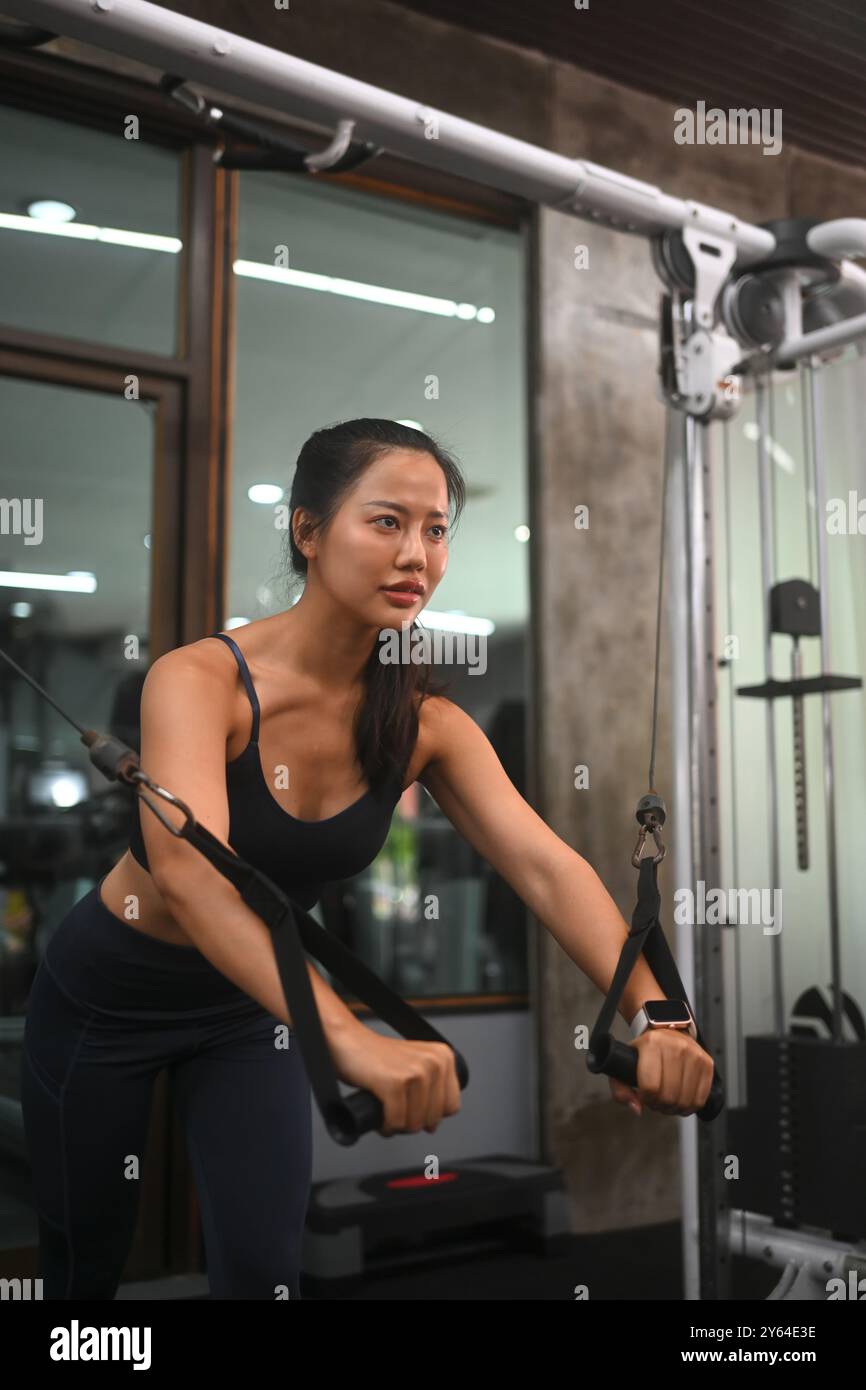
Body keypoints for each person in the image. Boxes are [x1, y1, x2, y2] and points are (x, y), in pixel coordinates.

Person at [20, 417, 714, 1301]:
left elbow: (547, 866)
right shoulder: (199, 681)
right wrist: (345, 1035)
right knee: (83, 1264)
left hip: (250, 1010)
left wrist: (662, 1015)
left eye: (434, 530)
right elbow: (193, 874)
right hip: (108, 998)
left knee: (266, 1272)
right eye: (386, 521)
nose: (415, 553)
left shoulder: (425, 723)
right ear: (309, 532)